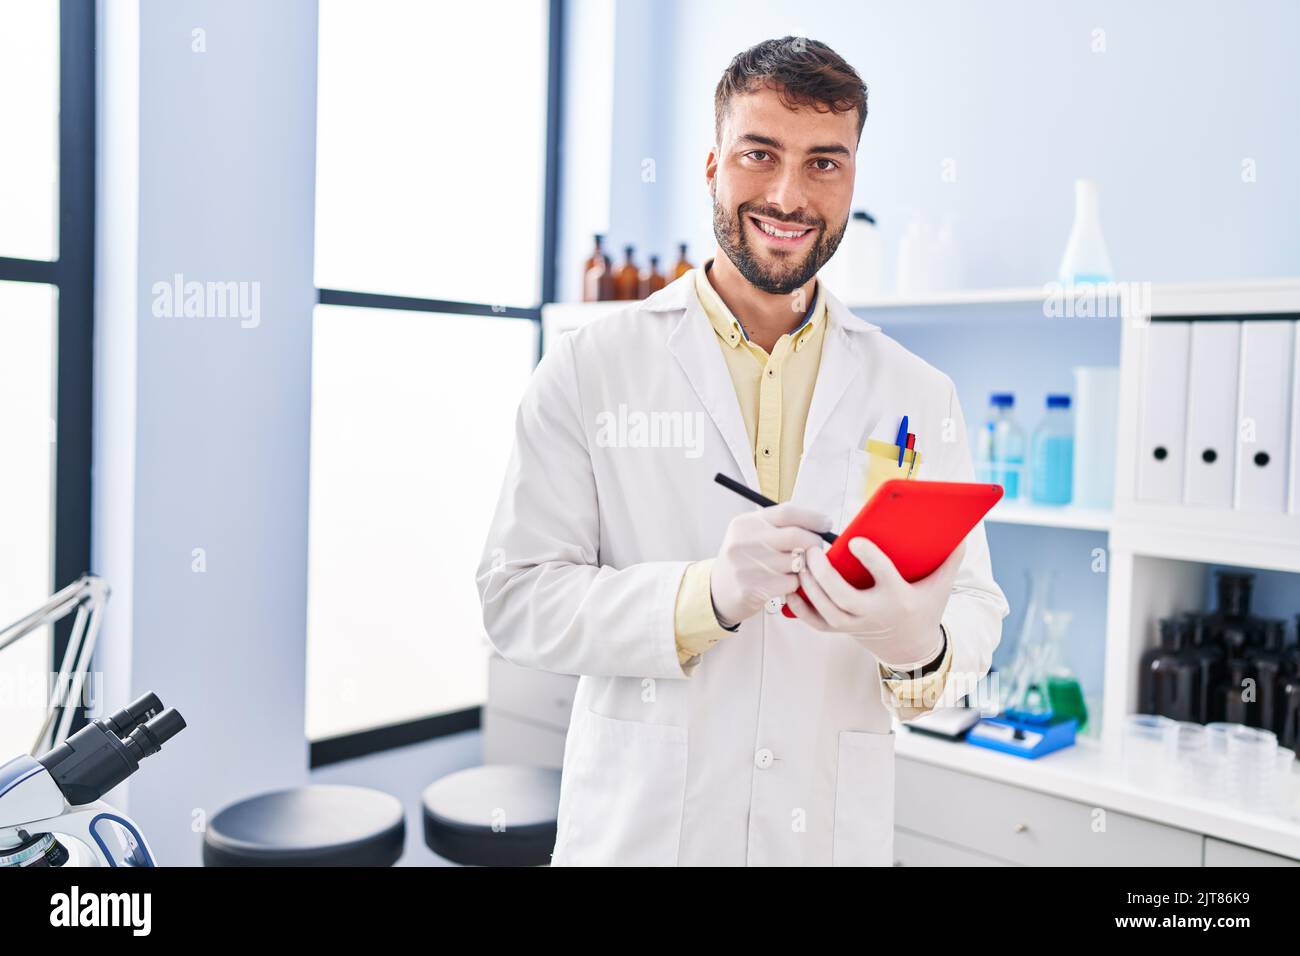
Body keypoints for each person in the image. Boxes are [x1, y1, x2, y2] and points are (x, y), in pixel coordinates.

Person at [476, 36, 1009, 866]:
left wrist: (918, 647)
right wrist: (706, 595)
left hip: (825, 835)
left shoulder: (917, 394)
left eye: (824, 163)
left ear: (854, 177)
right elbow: (516, 599)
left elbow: (974, 606)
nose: (789, 195)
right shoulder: (591, 367)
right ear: (713, 165)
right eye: (760, 154)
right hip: (642, 835)